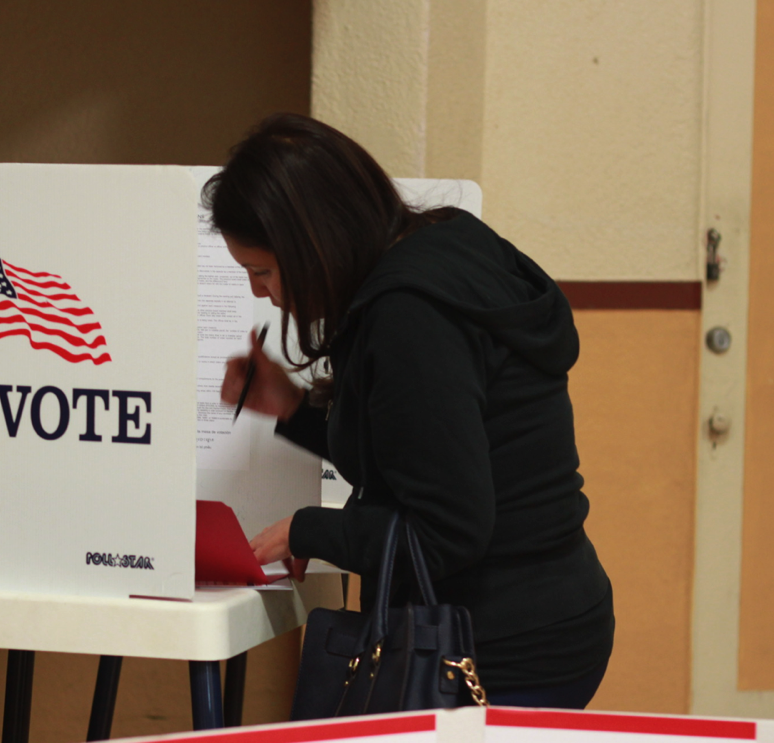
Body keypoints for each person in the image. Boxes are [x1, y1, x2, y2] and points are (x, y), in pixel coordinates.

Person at [204, 114, 613, 710]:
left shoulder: (409, 315)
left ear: (315, 241)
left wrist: (309, 529)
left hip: (501, 644)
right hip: (547, 611)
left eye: (262, 271)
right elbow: (409, 452)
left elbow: (447, 528)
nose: (258, 292)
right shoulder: (445, 244)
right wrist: (290, 407)